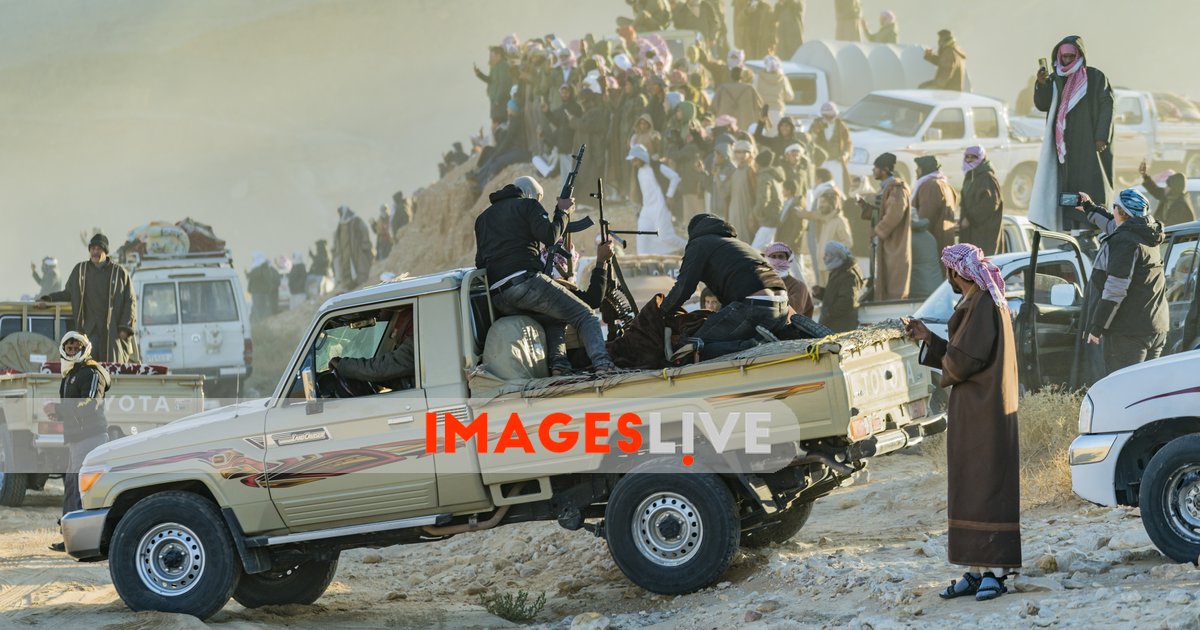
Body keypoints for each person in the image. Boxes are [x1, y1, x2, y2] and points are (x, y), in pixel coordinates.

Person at [904, 243, 1021, 603]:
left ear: (958, 273)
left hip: (985, 408)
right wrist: (928, 338)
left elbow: (966, 359)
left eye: (949, 272)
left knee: (987, 485)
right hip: (973, 409)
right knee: (969, 486)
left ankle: (996, 573)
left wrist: (935, 342)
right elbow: (962, 353)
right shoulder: (977, 301)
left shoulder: (984, 303)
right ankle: (974, 571)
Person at [474, 176, 618, 375]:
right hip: (524, 282)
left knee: (554, 318)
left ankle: (559, 365)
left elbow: (480, 262)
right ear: (533, 195)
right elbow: (550, 236)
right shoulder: (528, 205)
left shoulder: (483, 219)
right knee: (586, 316)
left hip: (499, 297)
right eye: (539, 199)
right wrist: (563, 211)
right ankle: (604, 365)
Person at [660, 214, 789, 359]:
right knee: (725, 336)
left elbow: (683, 287)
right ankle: (788, 334)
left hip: (755, 308)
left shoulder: (699, 244)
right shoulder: (736, 244)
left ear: (693, 232)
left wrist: (660, 313)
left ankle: (754, 347)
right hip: (782, 306)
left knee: (693, 346)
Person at [1075, 189, 1169, 376]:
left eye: (1115, 207)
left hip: (1129, 333)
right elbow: (1116, 227)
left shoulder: (1124, 242)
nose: (1113, 211)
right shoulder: (1148, 234)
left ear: (1121, 211)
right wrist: (1090, 208)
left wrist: (1097, 326)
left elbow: (1115, 289)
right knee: (1146, 392)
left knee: (1124, 392)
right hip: (1157, 328)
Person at [1029, 36, 1115, 232]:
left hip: (1088, 144)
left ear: (1079, 55)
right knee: (1066, 190)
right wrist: (1041, 84)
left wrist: (1102, 136)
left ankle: (1091, 227)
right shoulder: (1054, 79)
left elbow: (1107, 105)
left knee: (1090, 187)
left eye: (1071, 56)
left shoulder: (1095, 77)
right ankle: (1069, 230)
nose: (1067, 60)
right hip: (1064, 148)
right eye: (1064, 57)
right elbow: (1043, 105)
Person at [44, 332, 110, 551]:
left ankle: (84, 540)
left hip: (90, 439)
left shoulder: (91, 372)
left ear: (85, 348)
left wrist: (60, 409)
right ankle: (72, 537)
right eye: (69, 348)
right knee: (72, 487)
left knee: (83, 488)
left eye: (76, 348)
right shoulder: (71, 373)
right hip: (76, 440)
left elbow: (90, 404)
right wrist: (59, 413)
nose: (72, 351)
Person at [40, 234, 137, 364]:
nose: (95, 252)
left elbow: (130, 301)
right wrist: (48, 299)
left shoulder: (119, 273)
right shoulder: (80, 271)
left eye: (98, 249)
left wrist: (125, 328)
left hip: (112, 334)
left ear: (105, 251)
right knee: (88, 370)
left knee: (111, 371)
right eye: (92, 249)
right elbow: (68, 293)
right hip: (88, 332)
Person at [860, 153, 911, 300]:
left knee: (893, 278)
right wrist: (865, 207)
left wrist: (878, 230)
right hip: (883, 242)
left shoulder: (896, 188)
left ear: (884, 169)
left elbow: (895, 213)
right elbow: (881, 211)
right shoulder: (885, 188)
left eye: (875, 168)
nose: (873, 171)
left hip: (893, 242)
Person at [628, 144, 688, 255]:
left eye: (635, 160)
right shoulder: (638, 171)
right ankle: (645, 264)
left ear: (641, 157)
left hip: (660, 206)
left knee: (665, 236)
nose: (633, 163)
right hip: (646, 209)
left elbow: (675, 177)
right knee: (642, 237)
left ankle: (690, 246)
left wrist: (669, 195)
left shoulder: (656, 167)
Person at [796, 184, 853, 286]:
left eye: (824, 202)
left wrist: (833, 255)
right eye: (820, 202)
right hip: (823, 266)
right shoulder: (824, 221)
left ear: (832, 203)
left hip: (834, 268)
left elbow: (848, 243)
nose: (821, 205)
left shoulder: (839, 221)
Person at [958, 146, 1004, 255]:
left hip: (984, 235)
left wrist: (969, 218)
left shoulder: (987, 177)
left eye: (973, 157)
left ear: (982, 158)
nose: (969, 160)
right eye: (967, 157)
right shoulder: (971, 177)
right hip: (971, 234)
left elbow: (990, 204)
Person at [911, 155, 958, 255]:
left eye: (918, 167)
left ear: (924, 168)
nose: (916, 170)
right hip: (945, 239)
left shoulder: (931, 186)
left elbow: (925, 218)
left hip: (934, 241)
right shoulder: (945, 184)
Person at [814, 241, 862, 332]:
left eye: (827, 255)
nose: (824, 258)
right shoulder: (839, 270)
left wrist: (828, 313)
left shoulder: (848, 275)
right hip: (834, 324)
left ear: (835, 256)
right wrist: (821, 293)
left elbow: (847, 301)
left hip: (840, 326)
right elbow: (835, 295)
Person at [712, 67, 765, 142]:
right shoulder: (749, 88)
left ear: (731, 76)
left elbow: (713, 108)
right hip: (745, 127)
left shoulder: (722, 88)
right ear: (742, 76)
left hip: (725, 128)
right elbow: (760, 106)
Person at [808, 102, 852, 191]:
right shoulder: (816, 124)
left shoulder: (841, 126)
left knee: (838, 187)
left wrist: (845, 154)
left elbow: (848, 143)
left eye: (831, 116)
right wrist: (815, 132)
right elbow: (809, 140)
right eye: (826, 116)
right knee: (819, 186)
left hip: (836, 161)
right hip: (820, 161)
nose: (829, 118)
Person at [763, 242, 813, 317]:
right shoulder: (761, 282)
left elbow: (793, 310)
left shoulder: (798, 286)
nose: (777, 260)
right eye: (773, 257)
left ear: (788, 260)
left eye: (781, 257)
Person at [1140, 161, 1195, 227]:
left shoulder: (1181, 206)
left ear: (1174, 188)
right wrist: (1145, 176)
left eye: (1168, 186)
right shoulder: (1170, 196)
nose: (1165, 188)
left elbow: (1170, 227)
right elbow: (1155, 190)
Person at [333, 205, 374, 290]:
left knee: (360, 266)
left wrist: (365, 245)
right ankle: (349, 286)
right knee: (346, 269)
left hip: (356, 250)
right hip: (344, 252)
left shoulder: (356, 221)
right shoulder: (340, 225)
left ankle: (361, 284)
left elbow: (364, 232)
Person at [752, 148, 785, 248]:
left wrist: (756, 213)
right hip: (775, 216)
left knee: (755, 250)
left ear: (758, 164)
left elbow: (764, 197)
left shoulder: (764, 177)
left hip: (769, 219)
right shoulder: (774, 175)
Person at [727, 139, 758, 242]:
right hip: (734, 209)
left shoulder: (750, 170)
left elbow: (755, 193)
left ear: (750, 154)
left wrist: (753, 214)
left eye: (744, 152)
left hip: (747, 210)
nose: (741, 155)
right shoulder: (734, 171)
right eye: (738, 152)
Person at [474, 46, 514, 124]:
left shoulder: (504, 66)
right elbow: (491, 80)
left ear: (499, 55)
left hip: (501, 100)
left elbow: (504, 84)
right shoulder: (494, 66)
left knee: (499, 122)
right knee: (495, 122)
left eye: (492, 56)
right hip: (494, 99)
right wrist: (479, 74)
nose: (490, 58)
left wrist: (497, 99)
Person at [754, 56, 795, 133]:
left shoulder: (758, 77)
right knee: (775, 137)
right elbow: (790, 96)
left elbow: (753, 92)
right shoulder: (783, 78)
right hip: (777, 111)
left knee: (761, 137)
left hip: (761, 112)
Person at [246, 252, 280, 324]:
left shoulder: (260, 268)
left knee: (259, 311)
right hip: (260, 293)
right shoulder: (261, 268)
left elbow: (257, 278)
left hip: (259, 293)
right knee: (259, 310)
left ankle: (260, 325)